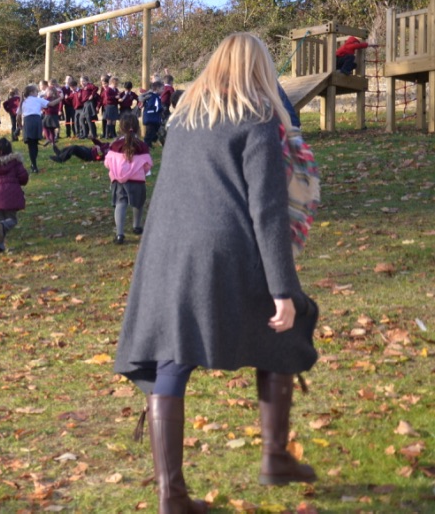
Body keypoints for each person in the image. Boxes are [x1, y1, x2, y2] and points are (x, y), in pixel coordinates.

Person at [114, 32, 319, 513]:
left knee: (172, 355)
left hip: (167, 250)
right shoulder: (259, 117)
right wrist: (283, 289)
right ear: (259, 70)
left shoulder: (186, 116)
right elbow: (267, 210)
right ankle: (273, 456)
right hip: (227, 249)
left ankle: (173, 497)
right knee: (283, 326)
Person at [105, 113, 152, 244]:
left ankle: (119, 234)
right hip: (137, 179)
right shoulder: (142, 146)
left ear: (121, 127)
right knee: (138, 202)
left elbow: (107, 162)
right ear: (137, 127)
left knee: (120, 203)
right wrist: (141, 172)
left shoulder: (115, 145)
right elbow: (148, 164)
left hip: (119, 180)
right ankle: (136, 226)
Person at [17, 84, 48, 174]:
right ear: (31, 92)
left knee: (32, 145)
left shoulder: (23, 102)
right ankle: (34, 165)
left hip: (28, 122)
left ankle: (33, 165)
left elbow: (18, 116)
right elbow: (50, 104)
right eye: (36, 91)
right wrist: (60, 98)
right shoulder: (37, 100)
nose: (37, 92)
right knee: (34, 144)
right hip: (36, 122)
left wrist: (20, 126)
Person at [140, 81, 165, 149]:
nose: (163, 91)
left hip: (151, 117)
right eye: (162, 89)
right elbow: (157, 107)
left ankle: (151, 143)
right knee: (150, 132)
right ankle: (146, 144)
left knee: (154, 131)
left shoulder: (152, 96)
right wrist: (161, 109)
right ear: (157, 89)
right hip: (152, 117)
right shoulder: (155, 97)